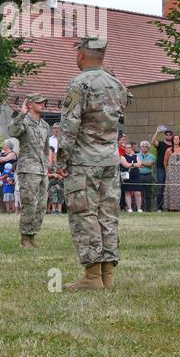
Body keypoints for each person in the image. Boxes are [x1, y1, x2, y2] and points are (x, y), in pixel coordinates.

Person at [54, 36, 129, 290]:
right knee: (108, 214)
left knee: (84, 214)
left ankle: (92, 277)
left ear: (81, 55)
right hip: (110, 159)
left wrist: (62, 159)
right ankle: (108, 276)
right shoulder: (116, 83)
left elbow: (69, 124)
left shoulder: (79, 84)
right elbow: (125, 104)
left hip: (84, 161)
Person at [7, 93, 50, 247]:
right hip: (28, 169)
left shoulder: (45, 125)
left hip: (41, 169)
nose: (43, 105)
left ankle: (32, 235)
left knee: (41, 205)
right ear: (30, 104)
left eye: (43, 102)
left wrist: (47, 166)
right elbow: (12, 132)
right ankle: (25, 238)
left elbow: (46, 149)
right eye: (39, 102)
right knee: (29, 204)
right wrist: (21, 114)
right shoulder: (24, 121)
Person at [163, 132, 180, 211]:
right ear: (172, 140)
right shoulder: (169, 150)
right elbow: (165, 162)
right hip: (171, 170)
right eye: (174, 139)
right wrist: (168, 171)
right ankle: (170, 207)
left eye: (177, 139)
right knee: (171, 188)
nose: (176, 140)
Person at [152, 125, 172, 211]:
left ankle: (170, 207)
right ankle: (159, 208)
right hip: (161, 168)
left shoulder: (174, 146)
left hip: (171, 169)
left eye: (170, 134)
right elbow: (153, 141)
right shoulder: (161, 144)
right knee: (160, 188)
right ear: (165, 136)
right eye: (166, 134)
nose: (168, 136)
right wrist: (157, 132)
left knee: (171, 188)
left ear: (172, 136)